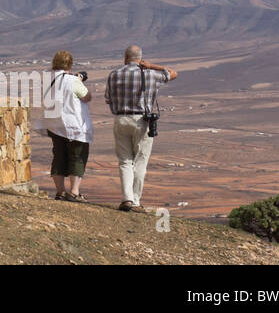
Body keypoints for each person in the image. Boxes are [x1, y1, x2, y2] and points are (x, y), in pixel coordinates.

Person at [105, 45, 178, 212]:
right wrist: (153, 66)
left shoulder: (114, 74)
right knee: (140, 161)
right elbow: (173, 73)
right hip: (141, 120)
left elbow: (108, 99)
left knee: (124, 161)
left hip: (120, 119)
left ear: (125, 58)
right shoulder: (150, 74)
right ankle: (136, 200)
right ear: (140, 59)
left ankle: (126, 199)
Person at [43, 50, 93, 202]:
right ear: (69, 64)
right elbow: (87, 97)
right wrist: (77, 79)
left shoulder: (48, 79)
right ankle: (74, 192)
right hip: (73, 126)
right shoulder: (72, 81)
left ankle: (60, 192)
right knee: (77, 156)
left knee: (59, 156)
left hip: (54, 124)